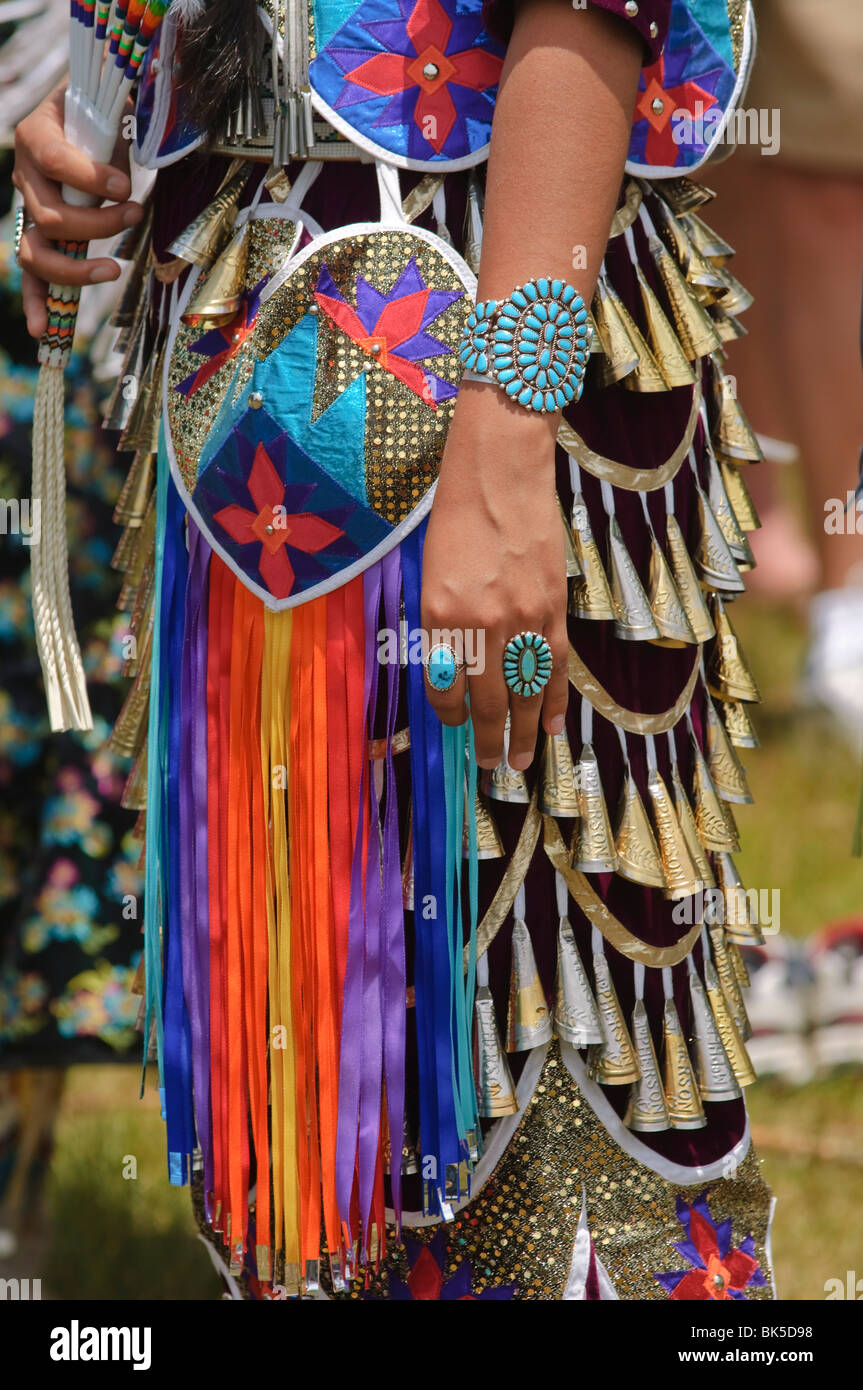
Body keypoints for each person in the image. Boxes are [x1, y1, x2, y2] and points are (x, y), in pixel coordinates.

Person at [13, 0, 775, 1300]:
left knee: (541, 1016)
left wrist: (511, 421)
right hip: (242, 335)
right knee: (313, 1083)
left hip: (495, 327)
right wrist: (114, 98)